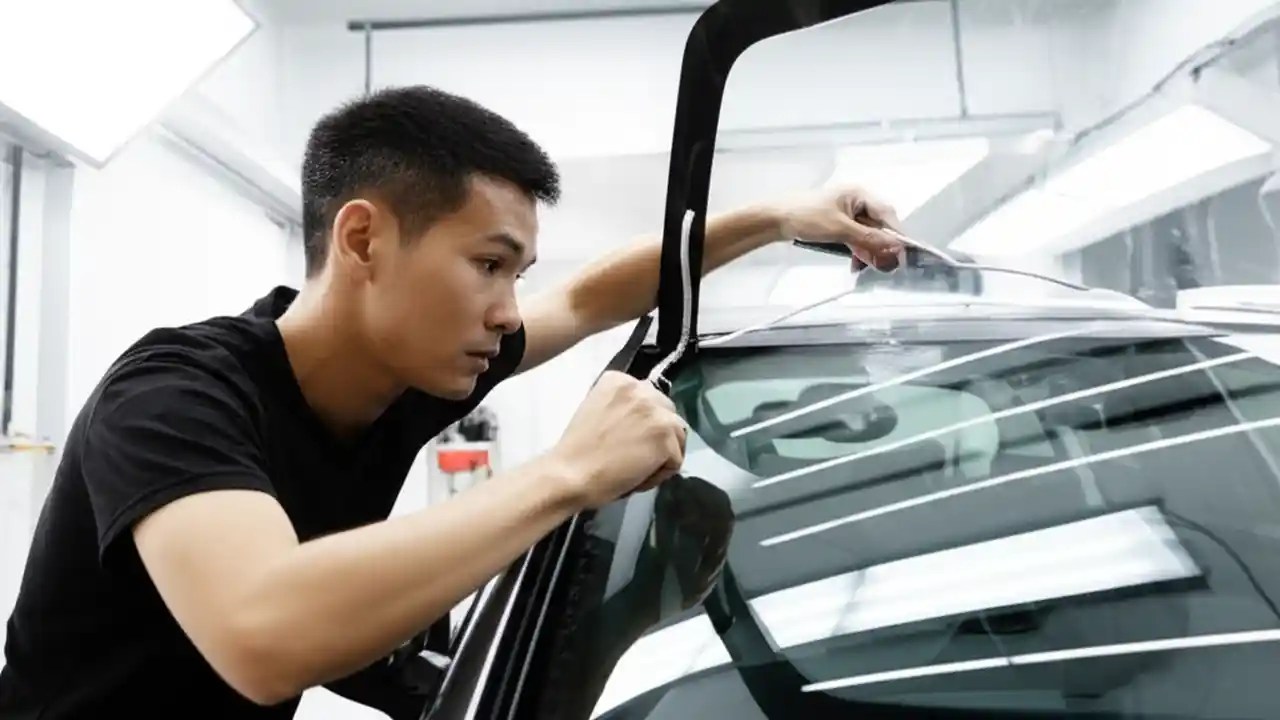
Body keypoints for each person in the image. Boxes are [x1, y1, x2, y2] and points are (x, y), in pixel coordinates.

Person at [0, 85, 905, 718]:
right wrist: (565, 475)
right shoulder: (173, 395)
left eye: (517, 271)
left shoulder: (411, 375)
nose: (509, 309)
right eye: (488, 264)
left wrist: (783, 217)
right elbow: (261, 632)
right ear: (363, 238)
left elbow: (591, 300)